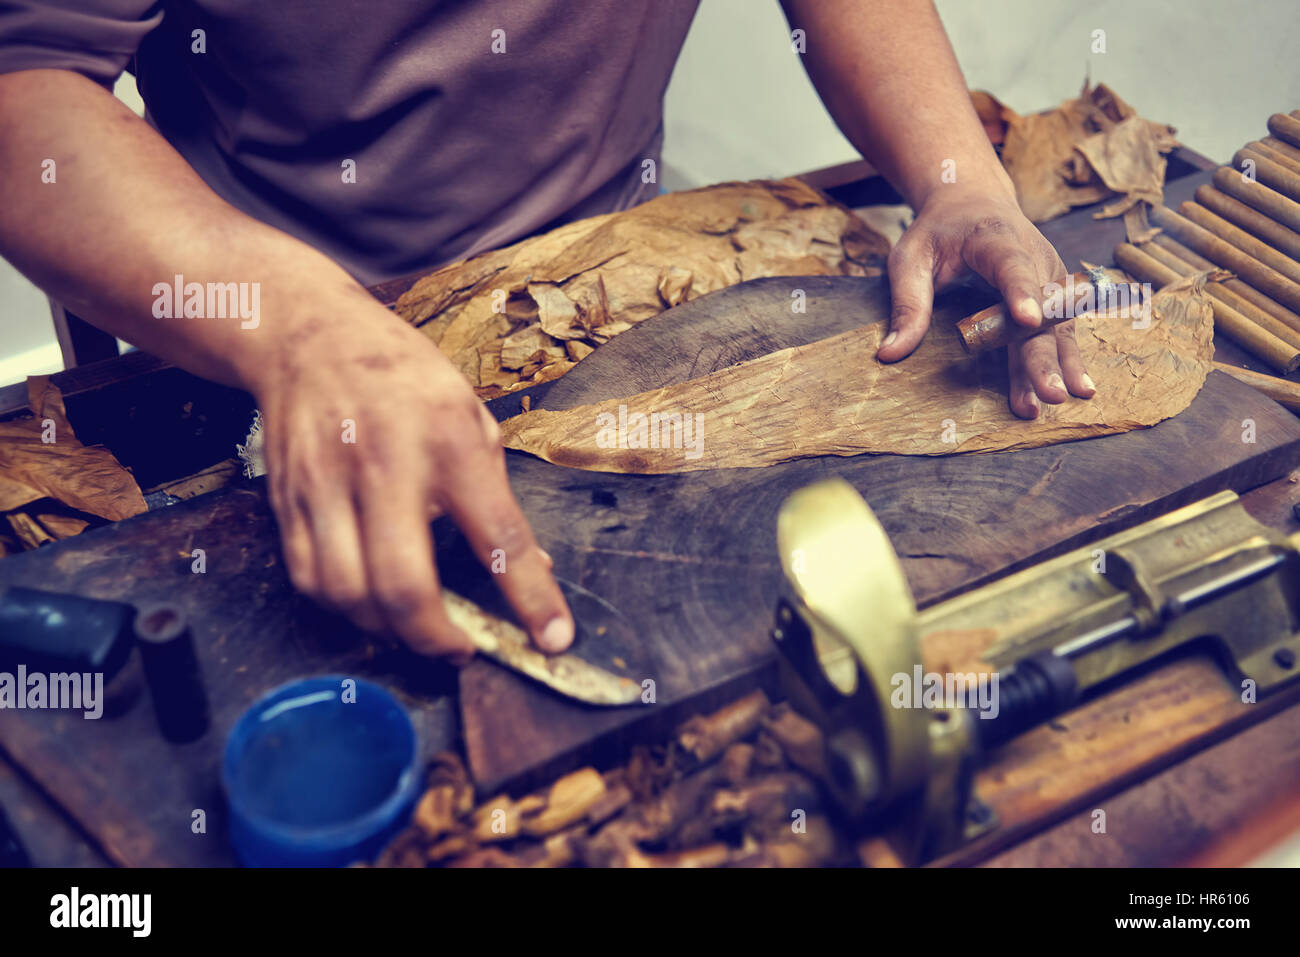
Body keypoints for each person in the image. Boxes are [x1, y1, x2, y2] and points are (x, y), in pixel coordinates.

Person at [0, 0, 1091, 659]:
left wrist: (957, 178)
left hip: (626, 258)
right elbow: (25, 87)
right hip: (258, 314)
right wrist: (299, 329)